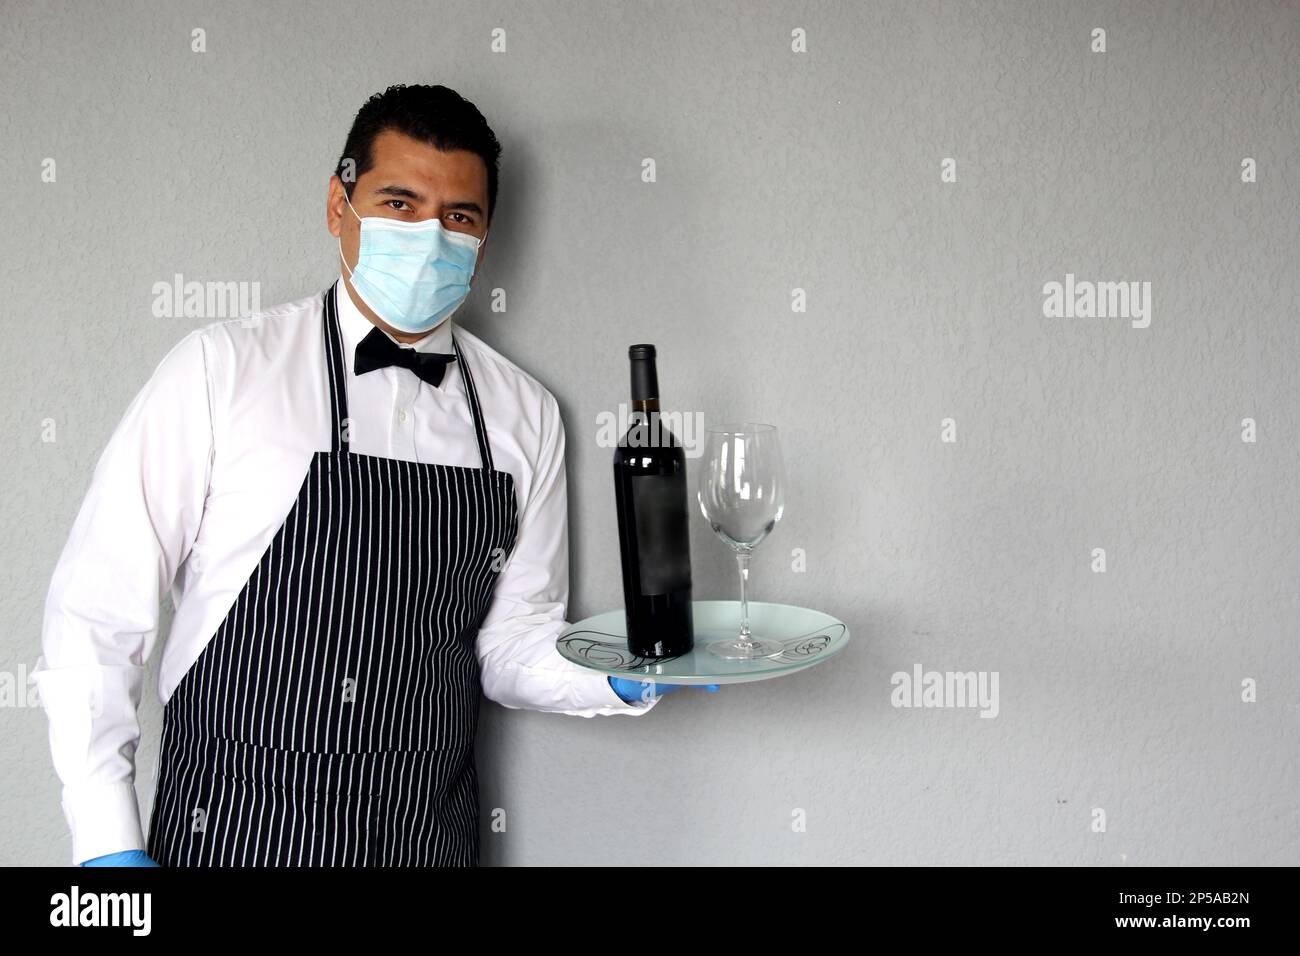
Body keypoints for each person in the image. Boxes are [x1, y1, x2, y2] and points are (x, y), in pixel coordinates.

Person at [33, 83, 716, 868]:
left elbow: (511, 645)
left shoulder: (524, 414)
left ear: (484, 238)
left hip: (428, 840)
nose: (429, 236)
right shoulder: (224, 369)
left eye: (458, 217)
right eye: (399, 203)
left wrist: (628, 673)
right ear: (338, 204)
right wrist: (105, 843)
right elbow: (96, 613)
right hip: (229, 836)